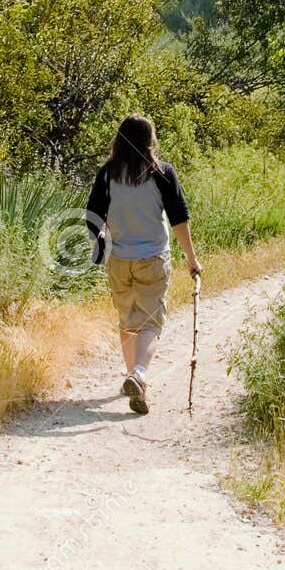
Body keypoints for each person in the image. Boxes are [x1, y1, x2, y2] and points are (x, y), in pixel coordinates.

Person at [85, 115, 202, 415]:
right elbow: (179, 218)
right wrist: (192, 259)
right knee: (150, 321)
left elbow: (92, 218)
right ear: (150, 140)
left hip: (118, 260)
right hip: (152, 258)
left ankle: (134, 379)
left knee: (128, 320)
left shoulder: (107, 174)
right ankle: (138, 374)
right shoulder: (161, 173)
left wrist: (98, 248)